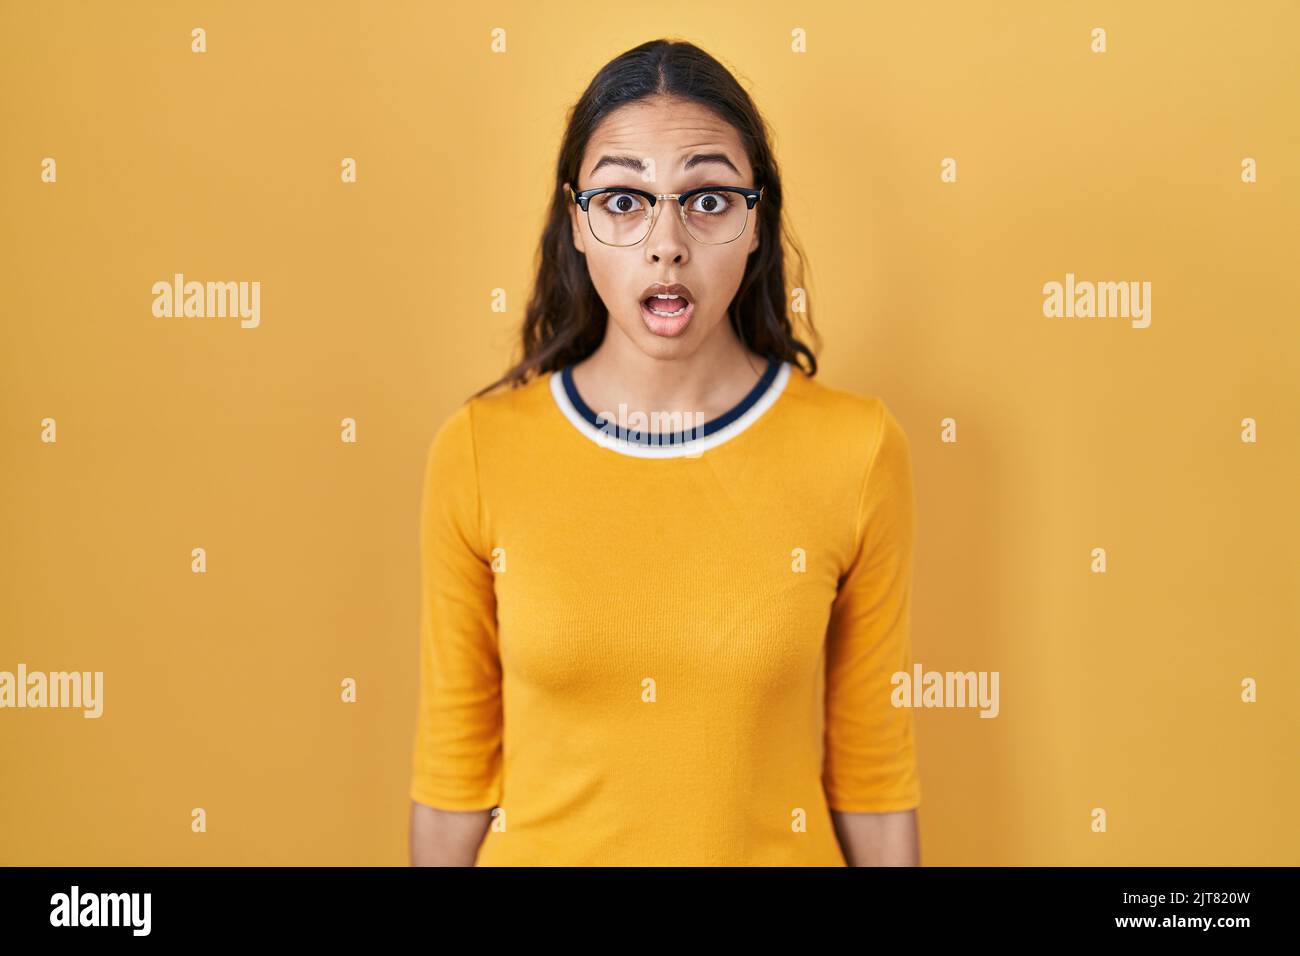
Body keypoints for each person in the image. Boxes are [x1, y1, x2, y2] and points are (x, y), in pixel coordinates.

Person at [409, 38, 921, 866]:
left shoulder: (858, 451)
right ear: (576, 221)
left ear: (758, 222)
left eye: (709, 199)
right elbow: (453, 778)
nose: (666, 242)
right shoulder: (476, 452)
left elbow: (872, 775)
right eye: (623, 200)